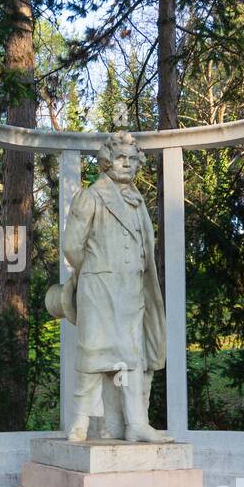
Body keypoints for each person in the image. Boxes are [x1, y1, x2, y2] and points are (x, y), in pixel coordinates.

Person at [48, 130, 167, 442]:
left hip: (132, 292)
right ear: (106, 162)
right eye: (120, 158)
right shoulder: (91, 196)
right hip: (99, 288)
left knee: (131, 358)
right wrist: (96, 269)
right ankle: (80, 422)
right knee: (92, 356)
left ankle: (133, 425)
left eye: (132, 159)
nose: (126, 164)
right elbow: (72, 245)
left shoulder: (138, 201)